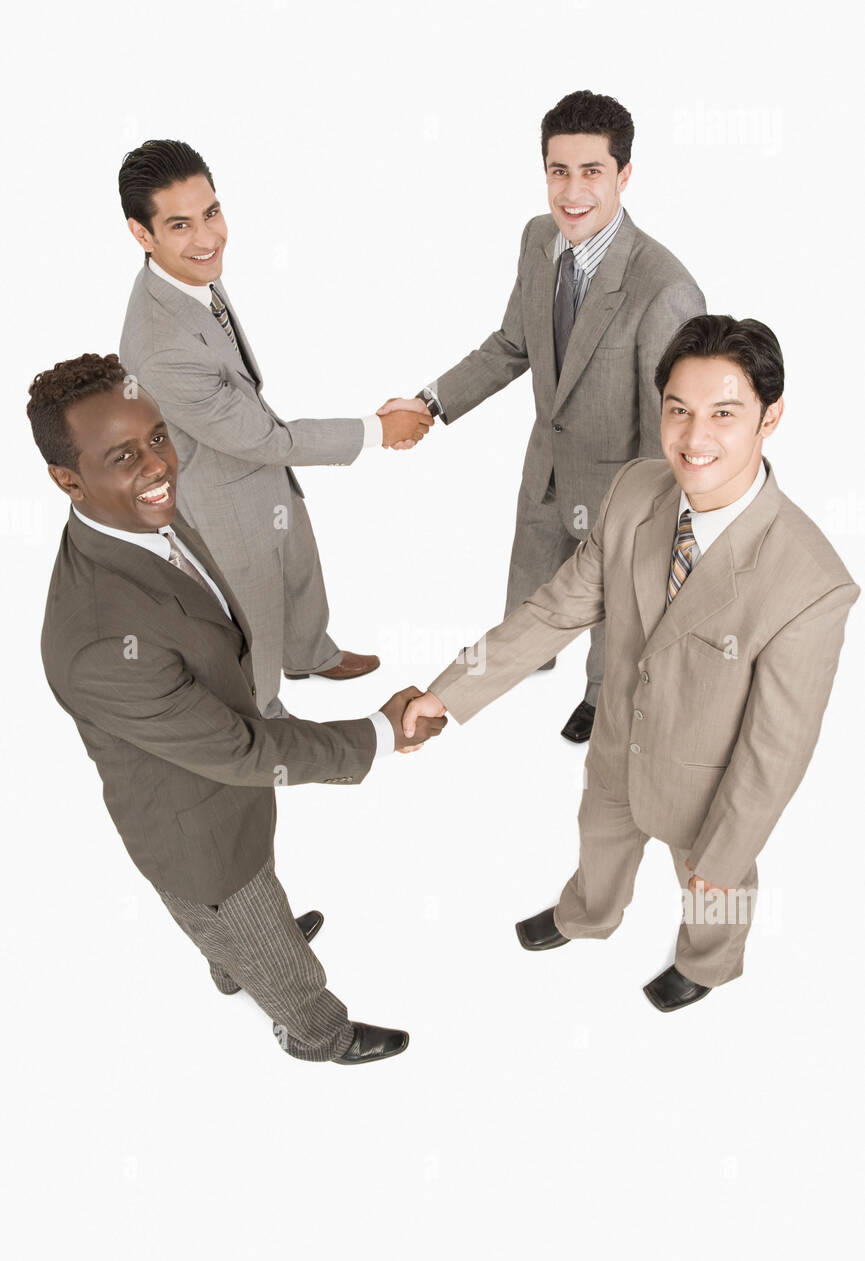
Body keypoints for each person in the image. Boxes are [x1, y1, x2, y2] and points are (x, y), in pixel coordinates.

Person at [402, 316, 858, 1010]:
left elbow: (777, 749)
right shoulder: (636, 491)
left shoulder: (810, 582)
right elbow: (557, 608)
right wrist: (448, 693)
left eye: (722, 415)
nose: (693, 438)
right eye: (676, 410)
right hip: (616, 746)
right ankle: (586, 915)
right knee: (598, 844)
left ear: (770, 418)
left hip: (707, 791)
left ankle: (707, 965)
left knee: (714, 892)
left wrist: (725, 856)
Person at [32, 353, 445, 1064]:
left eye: (158, 437)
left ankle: (235, 961)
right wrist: (378, 735)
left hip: (227, 799)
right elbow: (239, 753)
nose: (158, 465)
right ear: (68, 479)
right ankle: (316, 1032)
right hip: (199, 831)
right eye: (124, 455)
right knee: (261, 929)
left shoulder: (138, 514)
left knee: (249, 904)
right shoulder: (100, 640)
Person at [381, 89, 705, 744]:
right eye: (558, 171)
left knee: (615, 608)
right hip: (547, 468)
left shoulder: (664, 289)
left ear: (624, 175)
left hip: (619, 489)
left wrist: (648, 526)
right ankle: (529, 657)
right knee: (533, 596)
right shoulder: (537, 239)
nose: (571, 191)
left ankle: (600, 693)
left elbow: (670, 435)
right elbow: (511, 345)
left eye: (591, 171)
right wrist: (430, 403)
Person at [118, 139, 433, 718]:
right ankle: (265, 715)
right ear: (143, 234)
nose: (209, 238)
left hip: (262, 475)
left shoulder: (189, 276)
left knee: (300, 571)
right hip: (225, 499)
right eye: (181, 225)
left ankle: (310, 653)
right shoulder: (161, 346)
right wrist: (376, 430)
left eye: (211, 212)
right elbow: (263, 438)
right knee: (254, 617)